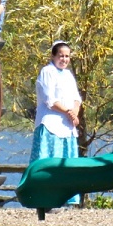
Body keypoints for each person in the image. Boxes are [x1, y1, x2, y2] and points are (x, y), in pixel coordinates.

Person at [30, 41, 82, 205]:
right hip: (51, 125)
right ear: (53, 56)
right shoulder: (47, 72)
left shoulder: (68, 75)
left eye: (67, 56)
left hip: (67, 127)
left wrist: (74, 113)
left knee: (67, 164)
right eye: (61, 56)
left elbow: (76, 98)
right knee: (48, 162)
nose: (64, 59)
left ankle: (67, 199)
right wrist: (67, 111)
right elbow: (50, 100)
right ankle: (44, 198)